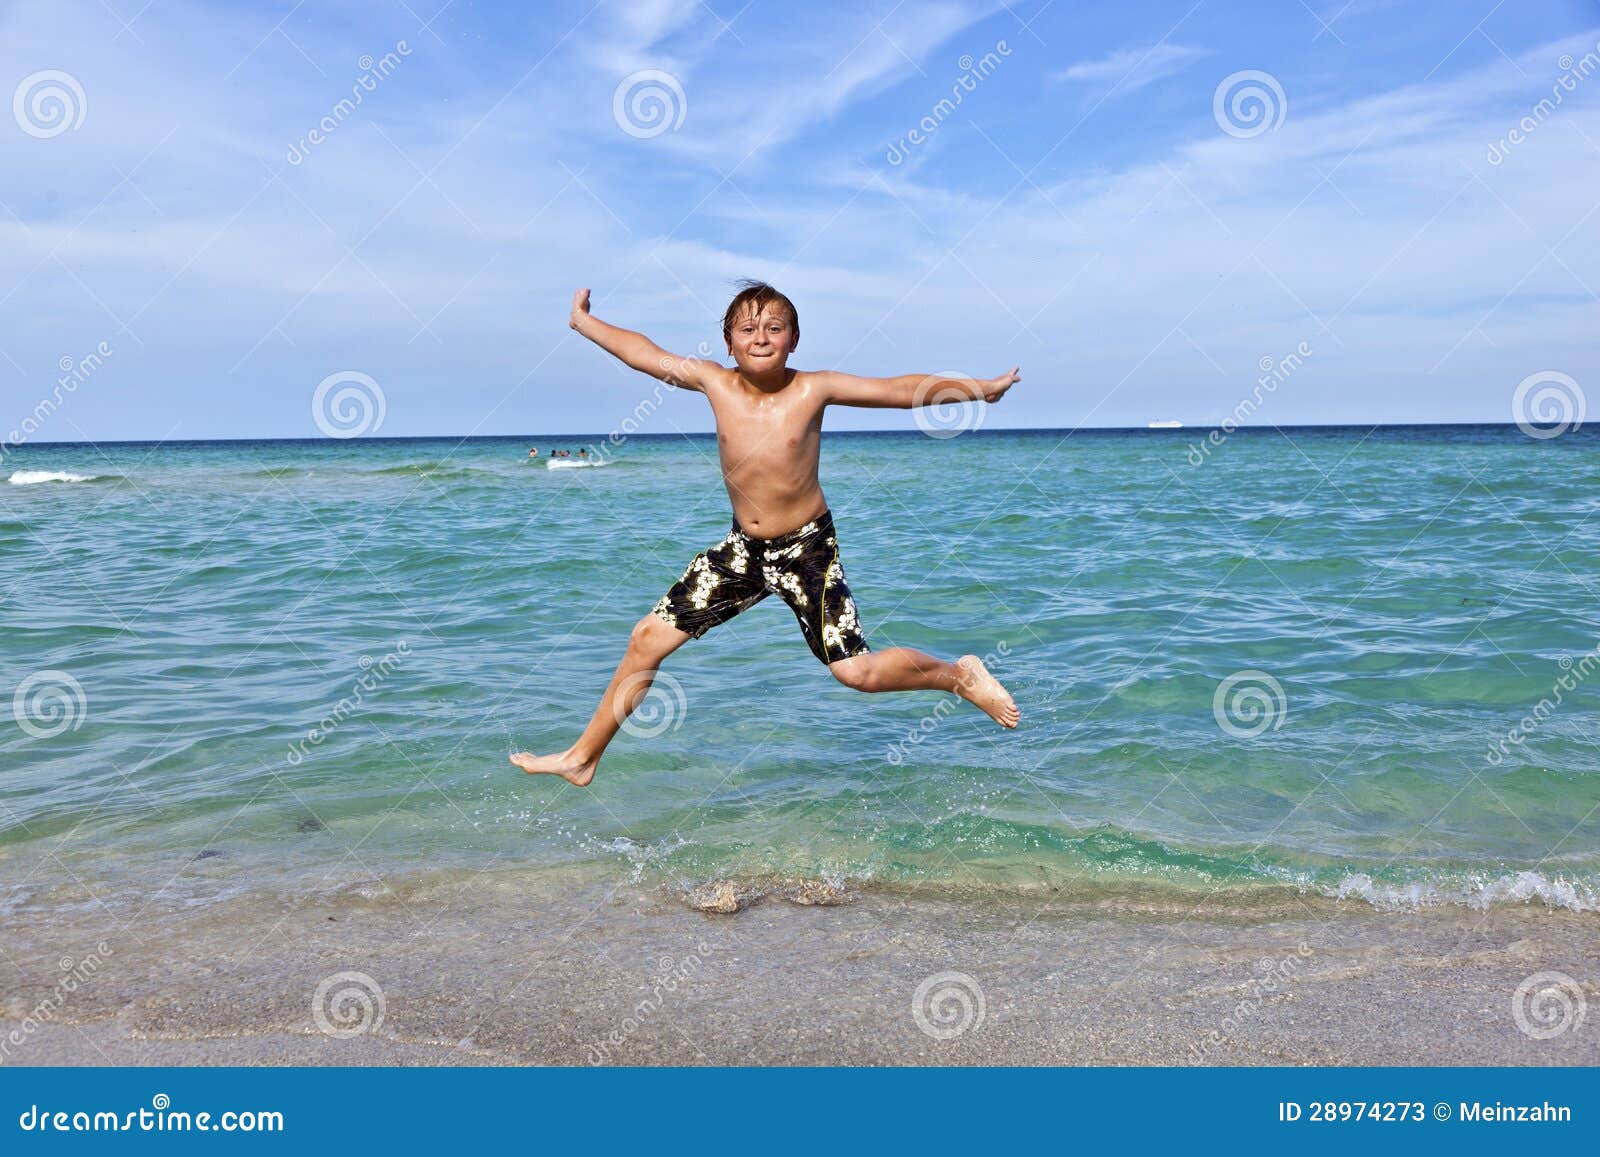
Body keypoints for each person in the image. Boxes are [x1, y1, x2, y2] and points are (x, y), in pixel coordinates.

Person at [512, 281, 1020, 787]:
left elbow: (898, 390)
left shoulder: (814, 388)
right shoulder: (714, 381)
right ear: (728, 342)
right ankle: (582, 758)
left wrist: (980, 389)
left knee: (856, 673)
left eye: (774, 328)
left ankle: (959, 676)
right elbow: (643, 354)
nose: (760, 338)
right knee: (646, 639)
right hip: (743, 552)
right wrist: (583, 322)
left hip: (806, 550)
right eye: (747, 329)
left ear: (794, 339)